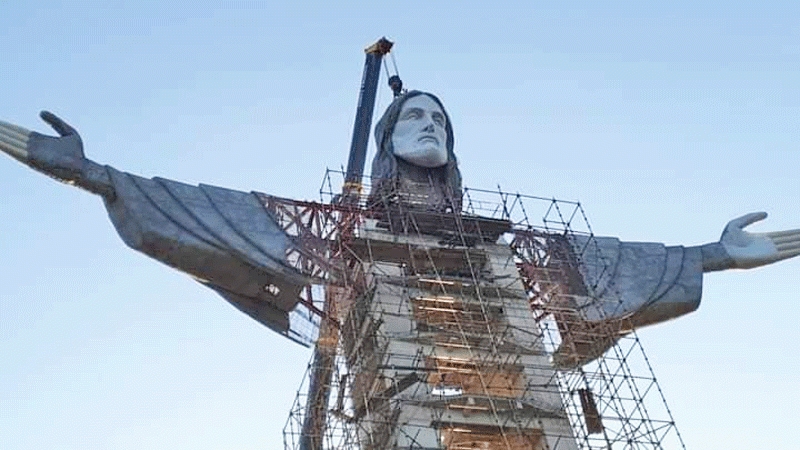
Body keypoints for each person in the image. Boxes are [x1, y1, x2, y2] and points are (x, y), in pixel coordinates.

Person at [1, 101, 799, 366]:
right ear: (386, 142)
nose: (430, 125)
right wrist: (94, 173)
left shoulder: (513, 246)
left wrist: (715, 256)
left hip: (501, 365)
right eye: (413, 116)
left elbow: (612, 263)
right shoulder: (340, 231)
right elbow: (218, 215)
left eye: (440, 119)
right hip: (402, 371)